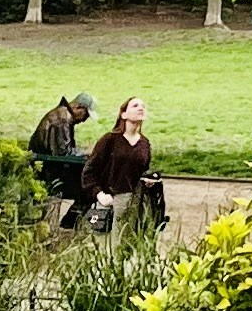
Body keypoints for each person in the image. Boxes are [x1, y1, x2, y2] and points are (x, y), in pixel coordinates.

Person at [77, 96, 160, 236]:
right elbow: (89, 171)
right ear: (124, 114)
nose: (141, 108)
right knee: (107, 246)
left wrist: (148, 181)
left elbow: (142, 171)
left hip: (134, 204)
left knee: (128, 245)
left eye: (142, 106)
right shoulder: (110, 140)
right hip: (109, 202)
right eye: (135, 106)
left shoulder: (144, 144)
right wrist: (99, 194)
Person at [27, 92, 92, 218]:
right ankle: (70, 222)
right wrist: (85, 152)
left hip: (49, 164)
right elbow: (63, 154)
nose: (85, 120)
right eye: (86, 115)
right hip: (48, 168)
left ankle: (70, 221)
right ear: (79, 108)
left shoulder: (63, 116)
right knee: (87, 183)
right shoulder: (61, 121)